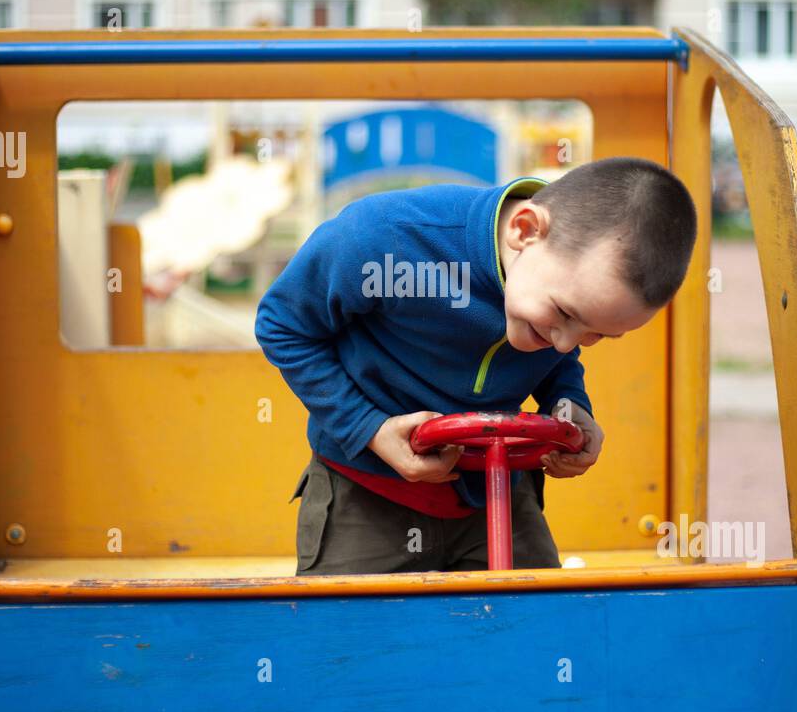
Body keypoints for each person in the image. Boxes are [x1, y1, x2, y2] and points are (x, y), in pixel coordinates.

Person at [254, 156, 698, 575]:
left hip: (498, 495)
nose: (568, 341)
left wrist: (568, 405)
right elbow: (282, 324)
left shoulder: (556, 291)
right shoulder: (385, 238)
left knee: (532, 633)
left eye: (597, 334)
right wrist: (369, 428)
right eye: (563, 314)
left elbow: (559, 356)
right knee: (350, 641)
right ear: (525, 231)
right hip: (366, 493)